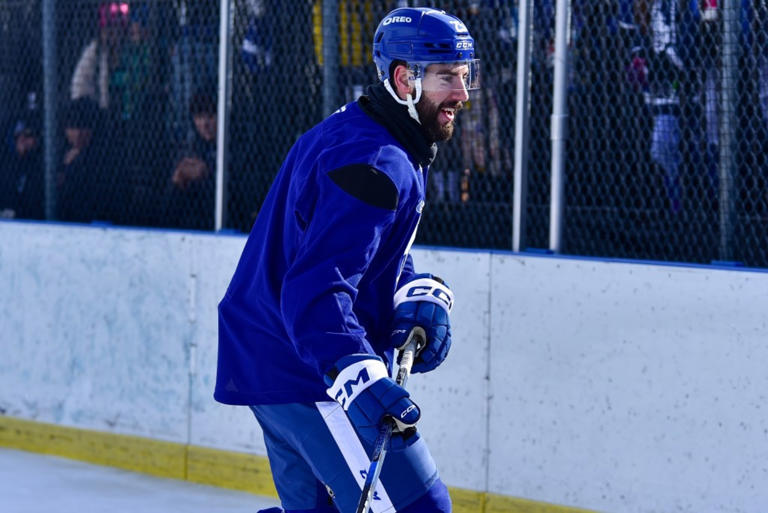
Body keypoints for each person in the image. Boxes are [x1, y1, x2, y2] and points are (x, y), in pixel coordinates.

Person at [215, 7, 479, 513]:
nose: (462, 95)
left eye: (465, 77)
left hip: (270, 355)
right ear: (405, 79)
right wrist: (357, 376)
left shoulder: (373, 134)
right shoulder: (378, 163)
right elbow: (314, 289)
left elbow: (359, 248)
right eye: (447, 78)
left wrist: (409, 288)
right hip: (305, 370)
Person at [162, 90, 217, 230]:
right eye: (199, 117)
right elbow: (167, 209)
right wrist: (178, 180)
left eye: (210, 116)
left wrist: (208, 173)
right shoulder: (189, 148)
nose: (204, 124)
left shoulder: (238, 147)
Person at [0, 118, 43, 220]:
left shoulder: (39, 164)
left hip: (28, 217)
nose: (22, 140)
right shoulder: (5, 161)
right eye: (18, 136)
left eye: (28, 136)